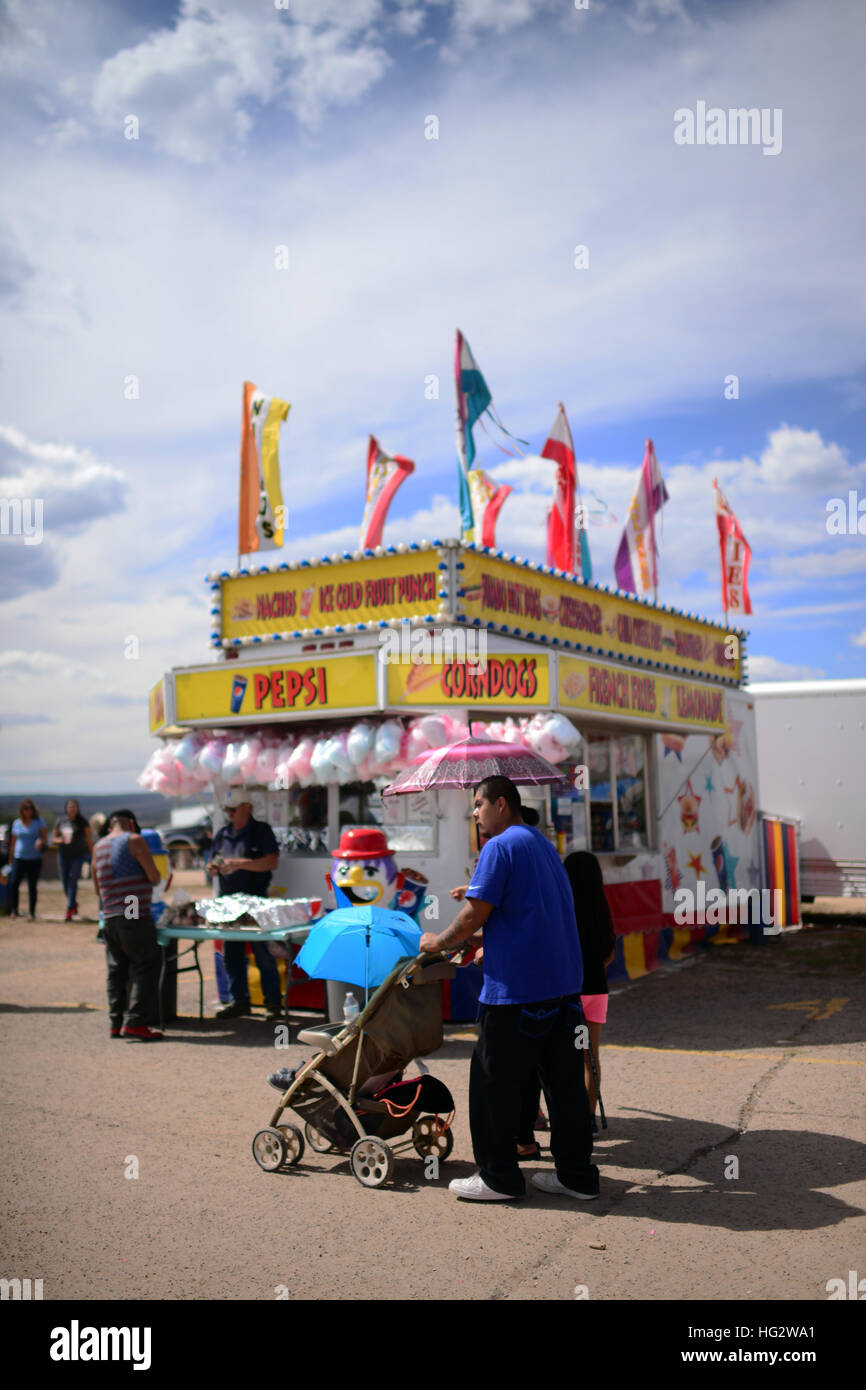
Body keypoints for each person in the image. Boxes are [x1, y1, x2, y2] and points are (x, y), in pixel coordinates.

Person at [420, 775, 598, 1203]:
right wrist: (488, 939)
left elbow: (472, 916)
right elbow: (524, 913)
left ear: (501, 803)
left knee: (491, 1085)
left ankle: (498, 1177)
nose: (475, 813)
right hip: (561, 989)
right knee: (564, 1087)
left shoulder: (498, 846)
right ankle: (577, 1176)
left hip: (516, 993)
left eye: (478, 804)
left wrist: (437, 942)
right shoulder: (540, 845)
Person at [206, 790, 282, 1020]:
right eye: (227, 810)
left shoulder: (262, 831)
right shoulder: (223, 834)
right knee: (232, 954)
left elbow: (272, 862)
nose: (229, 814)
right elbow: (212, 861)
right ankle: (239, 1001)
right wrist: (213, 868)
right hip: (228, 902)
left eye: (233, 809)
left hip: (256, 900)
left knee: (263, 953)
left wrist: (239, 864)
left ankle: (273, 1002)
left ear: (247, 807)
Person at [91, 809, 163, 1041]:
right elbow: (154, 877)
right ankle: (136, 1022)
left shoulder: (98, 846)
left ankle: (116, 1022)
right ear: (131, 823)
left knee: (117, 969)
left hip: (109, 914)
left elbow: (96, 889)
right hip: (131, 911)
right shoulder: (134, 840)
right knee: (146, 963)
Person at [51, 798, 94, 921]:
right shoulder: (61, 821)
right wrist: (61, 840)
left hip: (78, 856)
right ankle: (73, 903)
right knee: (65, 882)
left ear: (77, 808)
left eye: (74, 807)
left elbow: (89, 840)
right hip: (63, 855)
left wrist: (93, 856)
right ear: (66, 809)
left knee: (72, 881)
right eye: (70, 807)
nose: (72, 809)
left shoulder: (82, 822)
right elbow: (53, 839)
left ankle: (69, 909)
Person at [8, 799, 47, 920]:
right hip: (19, 857)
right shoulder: (17, 823)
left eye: (30, 808)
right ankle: (14, 910)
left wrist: (40, 841)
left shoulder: (38, 822)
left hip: (34, 858)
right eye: (26, 809)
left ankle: (32, 912)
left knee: (32, 886)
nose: (28, 811)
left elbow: (45, 838)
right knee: (14, 883)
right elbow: (13, 842)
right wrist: (10, 858)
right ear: (22, 810)